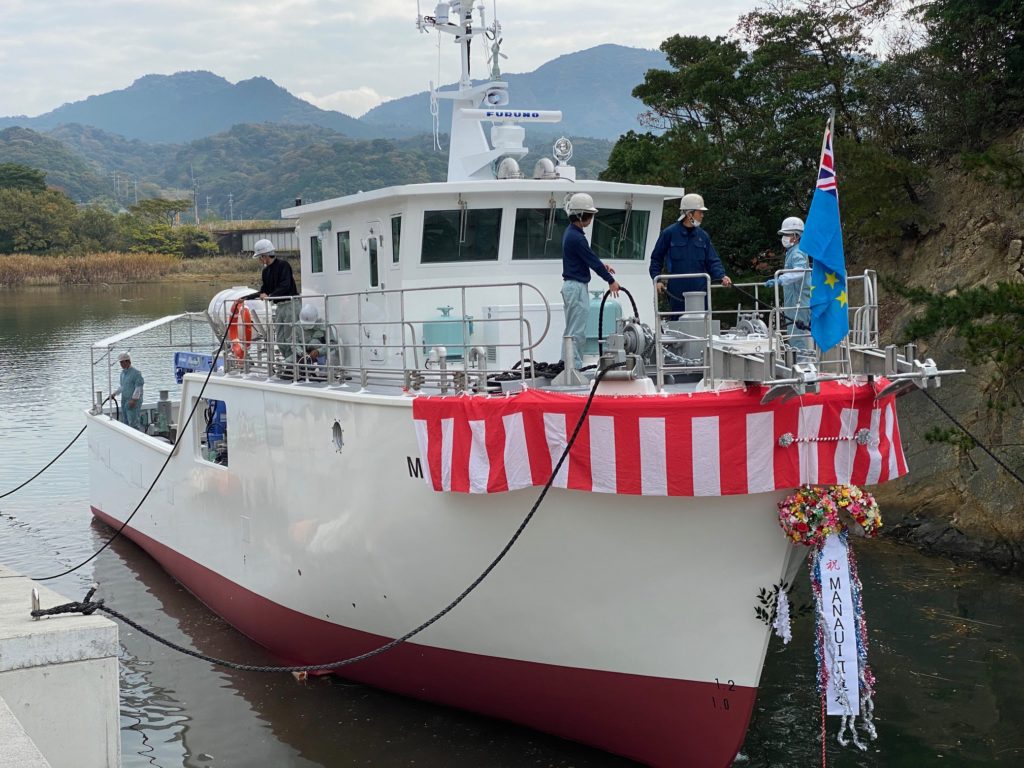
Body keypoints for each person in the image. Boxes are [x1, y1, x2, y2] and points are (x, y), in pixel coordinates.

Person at [560, 192, 620, 369]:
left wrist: (602, 265)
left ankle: (568, 365)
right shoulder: (577, 237)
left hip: (573, 287)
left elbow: (588, 258)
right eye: (590, 215)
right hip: (576, 287)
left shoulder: (572, 233)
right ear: (581, 215)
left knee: (572, 330)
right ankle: (573, 368)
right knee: (576, 331)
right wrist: (611, 280)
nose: (591, 218)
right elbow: (591, 261)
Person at [648, 192, 732, 313]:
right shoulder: (669, 233)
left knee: (702, 323)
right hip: (677, 288)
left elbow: (713, 260)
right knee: (677, 322)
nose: (702, 215)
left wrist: (722, 276)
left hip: (700, 288)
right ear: (689, 214)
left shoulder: (703, 236)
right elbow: (656, 258)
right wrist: (657, 280)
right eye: (700, 212)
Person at [764, 216, 812, 354]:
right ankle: (802, 362)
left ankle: (804, 364)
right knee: (795, 334)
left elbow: (799, 272)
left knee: (798, 335)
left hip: (799, 301)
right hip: (794, 301)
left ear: (796, 236)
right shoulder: (792, 252)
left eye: (787, 234)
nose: (784, 237)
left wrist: (780, 279)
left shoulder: (797, 252)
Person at [248, 238, 300, 362]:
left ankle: (296, 365)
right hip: (280, 307)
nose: (260, 261)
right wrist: (244, 299)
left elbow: (285, 285)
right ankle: (290, 362)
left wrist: (270, 296)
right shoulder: (266, 272)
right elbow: (263, 290)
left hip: (291, 304)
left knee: (291, 337)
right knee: (280, 339)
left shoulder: (284, 265)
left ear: (264, 256)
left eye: (260, 257)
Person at [295, 303, 339, 379]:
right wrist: (302, 353)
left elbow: (332, 344)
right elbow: (294, 344)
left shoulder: (324, 325)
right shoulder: (297, 327)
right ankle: (302, 371)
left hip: (321, 356)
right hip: (303, 355)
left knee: (315, 342)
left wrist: (319, 351)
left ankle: (323, 372)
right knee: (289, 361)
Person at [113, 351, 144, 431]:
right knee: (125, 421)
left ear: (128, 361)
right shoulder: (123, 374)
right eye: (120, 363)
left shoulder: (136, 373)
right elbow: (122, 386)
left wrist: (134, 400)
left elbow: (138, 387)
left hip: (133, 401)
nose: (121, 365)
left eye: (122, 362)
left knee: (133, 422)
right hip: (125, 400)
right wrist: (114, 394)